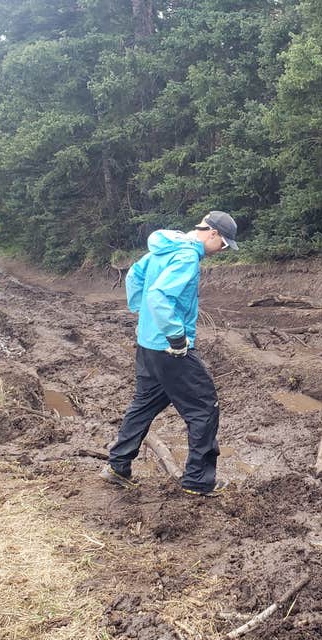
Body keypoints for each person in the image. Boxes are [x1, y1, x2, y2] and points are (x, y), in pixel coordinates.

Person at [100, 211, 238, 497]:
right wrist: (175, 335)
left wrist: (145, 317)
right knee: (204, 407)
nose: (222, 250)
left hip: (148, 344)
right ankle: (198, 481)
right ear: (213, 234)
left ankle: (117, 466)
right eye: (224, 244)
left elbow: (134, 276)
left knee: (145, 404)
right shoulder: (187, 257)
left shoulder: (165, 248)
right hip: (169, 348)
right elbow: (159, 295)